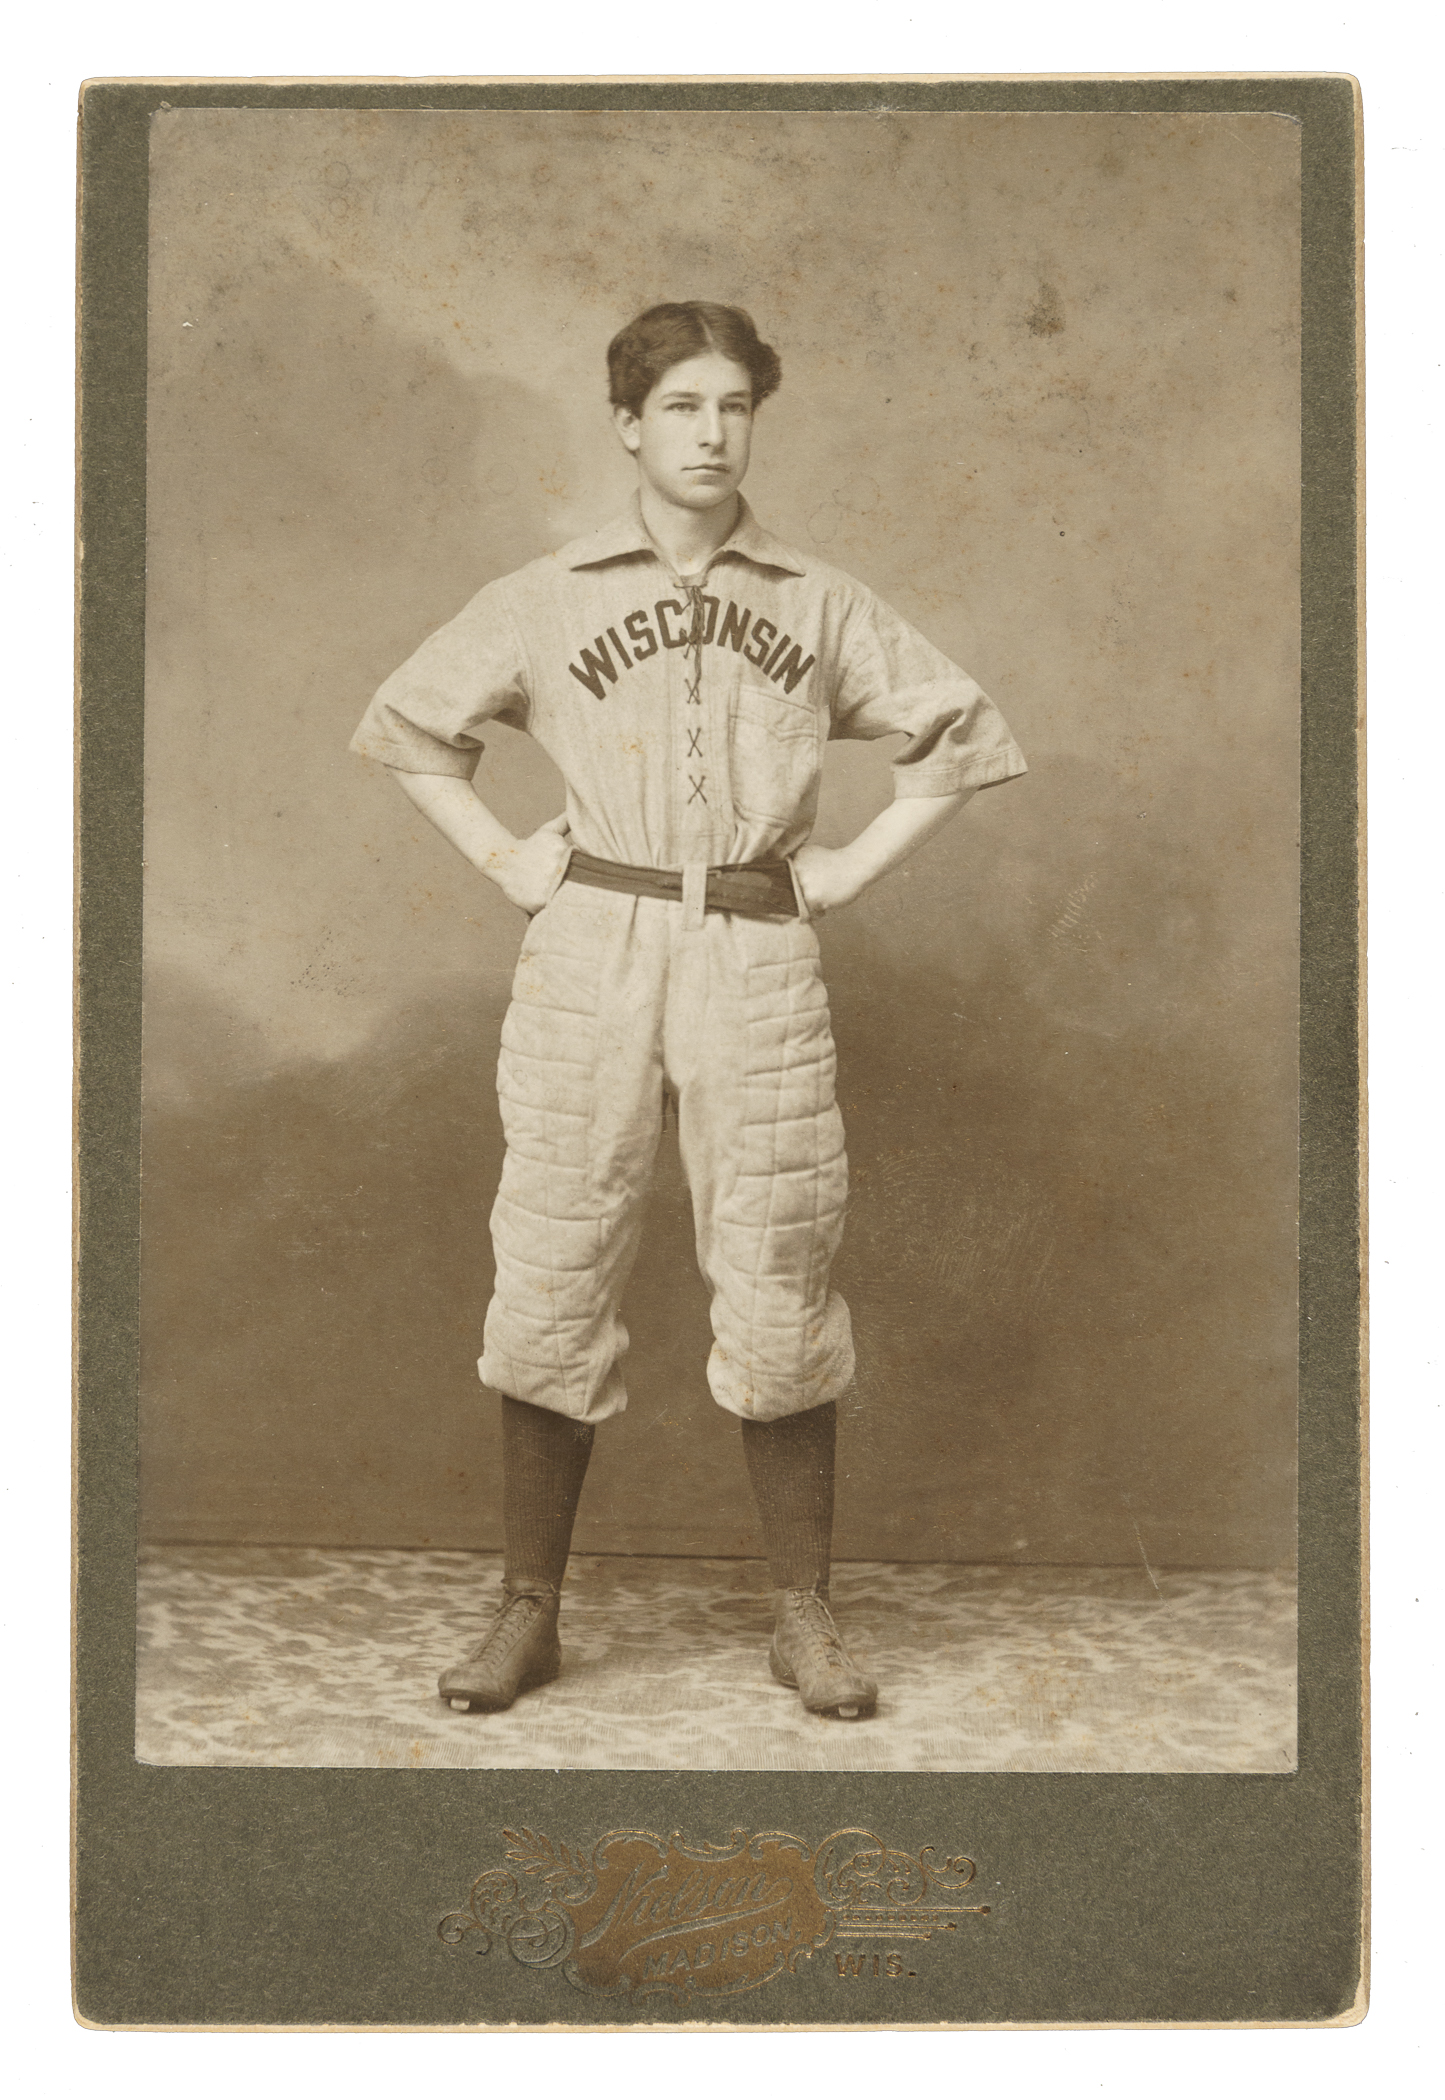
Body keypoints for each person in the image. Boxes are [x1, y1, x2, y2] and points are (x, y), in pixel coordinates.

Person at [350, 301, 1026, 1723]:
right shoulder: (549, 594)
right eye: (680, 407)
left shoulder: (816, 600)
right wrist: (503, 858)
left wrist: (844, 868)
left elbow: (956, 732)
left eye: (733, 407)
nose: (710, 434)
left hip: (755, 948)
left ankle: (803, 1615)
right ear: (626, 425)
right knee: (553, 1257)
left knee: (779, 1259)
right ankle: (527, 1612)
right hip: (592, 938)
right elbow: (410, 727)